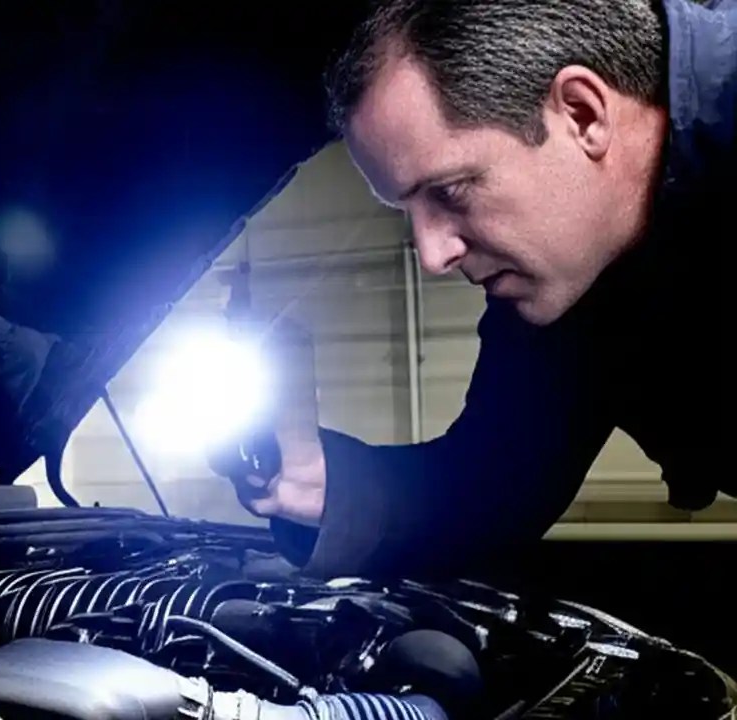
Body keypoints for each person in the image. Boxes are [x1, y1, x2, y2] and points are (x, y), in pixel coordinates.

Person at [223, 0, 737, 578]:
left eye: (450, 191)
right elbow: (494, 484)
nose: (434, 255)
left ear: (583, 115)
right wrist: (313, 479)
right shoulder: (562, 278)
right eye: (407, 210)